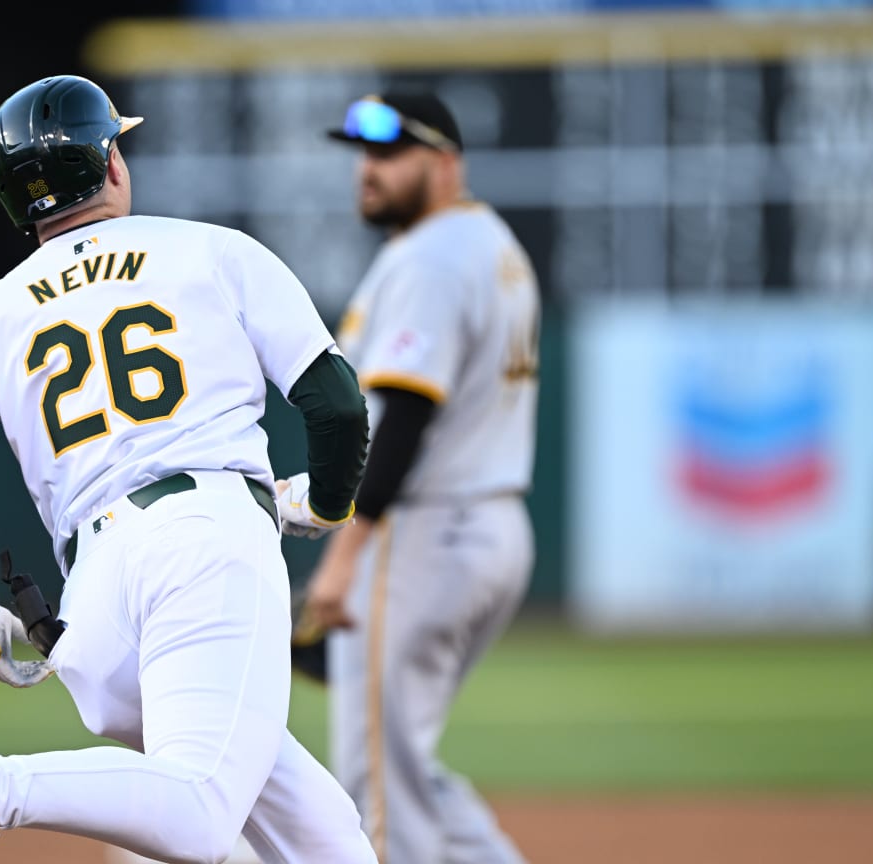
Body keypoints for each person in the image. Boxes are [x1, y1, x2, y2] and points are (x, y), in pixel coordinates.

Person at [0, 74, 379, 864]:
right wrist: (331, 504)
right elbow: (338, 408)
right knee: (203, 813)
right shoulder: (213, 250)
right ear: (109, 164)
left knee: (327, 844)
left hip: (94, 602)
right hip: (205, 546)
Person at [300, 90, 541, 864]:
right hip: (491, 527)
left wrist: (341, 562)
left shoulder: (432, 256)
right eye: (364, 155)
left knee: (375, 787)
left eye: (390, 153)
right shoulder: (490, 242)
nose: (368, 171)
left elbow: (402, 416)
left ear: (446, 163)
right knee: (402, 766)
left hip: (425, 534)